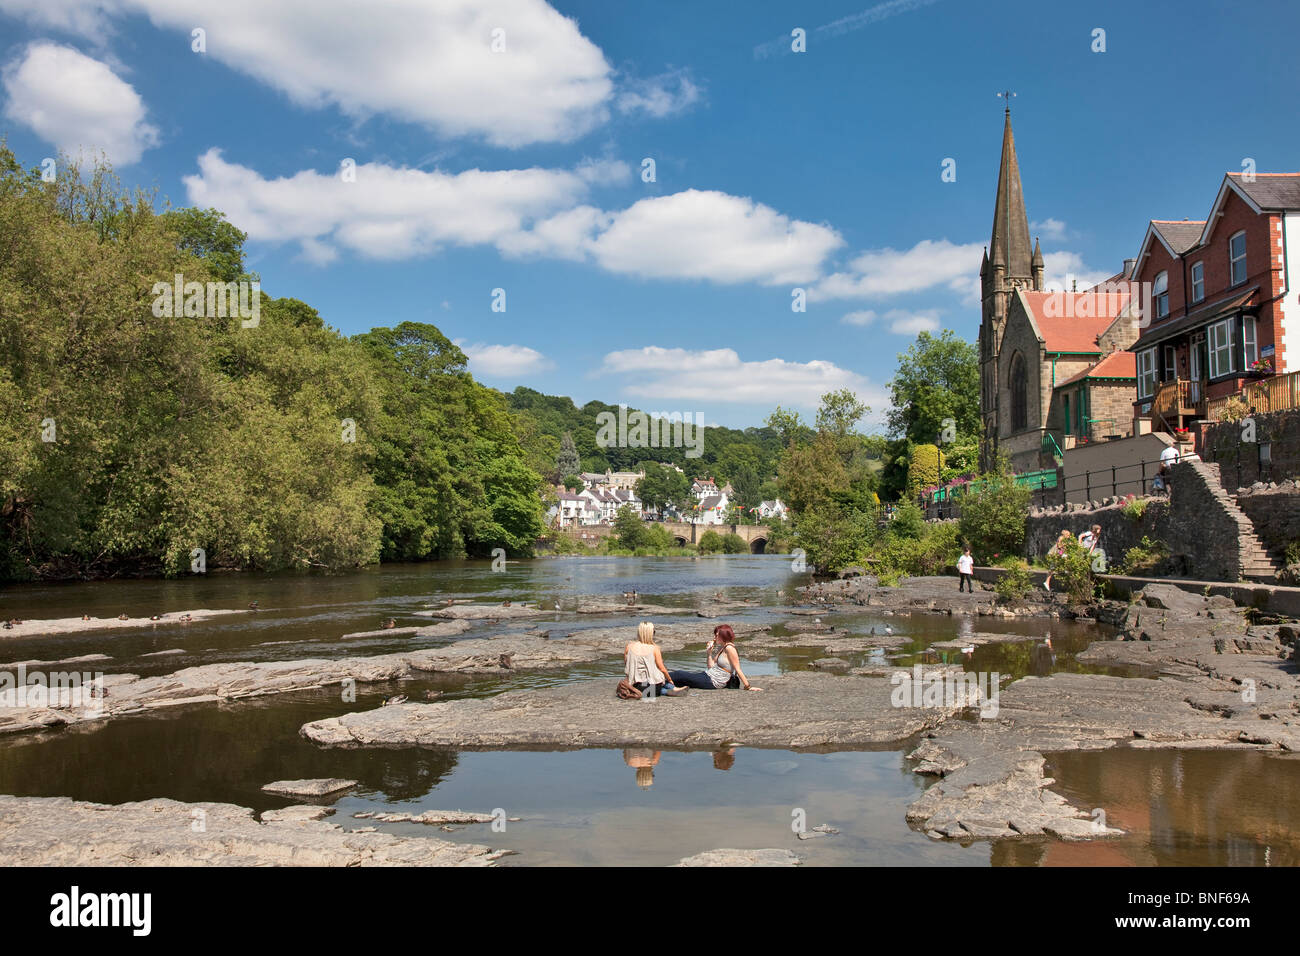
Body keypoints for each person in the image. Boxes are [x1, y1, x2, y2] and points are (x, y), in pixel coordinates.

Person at [669, 624, 762, 691]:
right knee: (678, 681)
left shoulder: (730, 648)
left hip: (715, 681)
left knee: (679, 674)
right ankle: (659, 688)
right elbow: (711, 666)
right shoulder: (722, 647)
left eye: (716, 635)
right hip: (708, 675)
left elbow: (738, 669)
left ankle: (655, 685)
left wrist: (748, 686)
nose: (714, 637)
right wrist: (709, 653)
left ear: (723, 635)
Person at [624, 621, 685, 697]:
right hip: (653, 688)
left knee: (648, 684)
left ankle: (667, 691)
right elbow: (662, 669)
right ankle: (673, 689)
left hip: (635, 687)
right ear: (650, 633)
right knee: (659, 677)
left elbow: (627, 664)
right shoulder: (654, 648)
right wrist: (670, 680)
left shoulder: (629, 647)